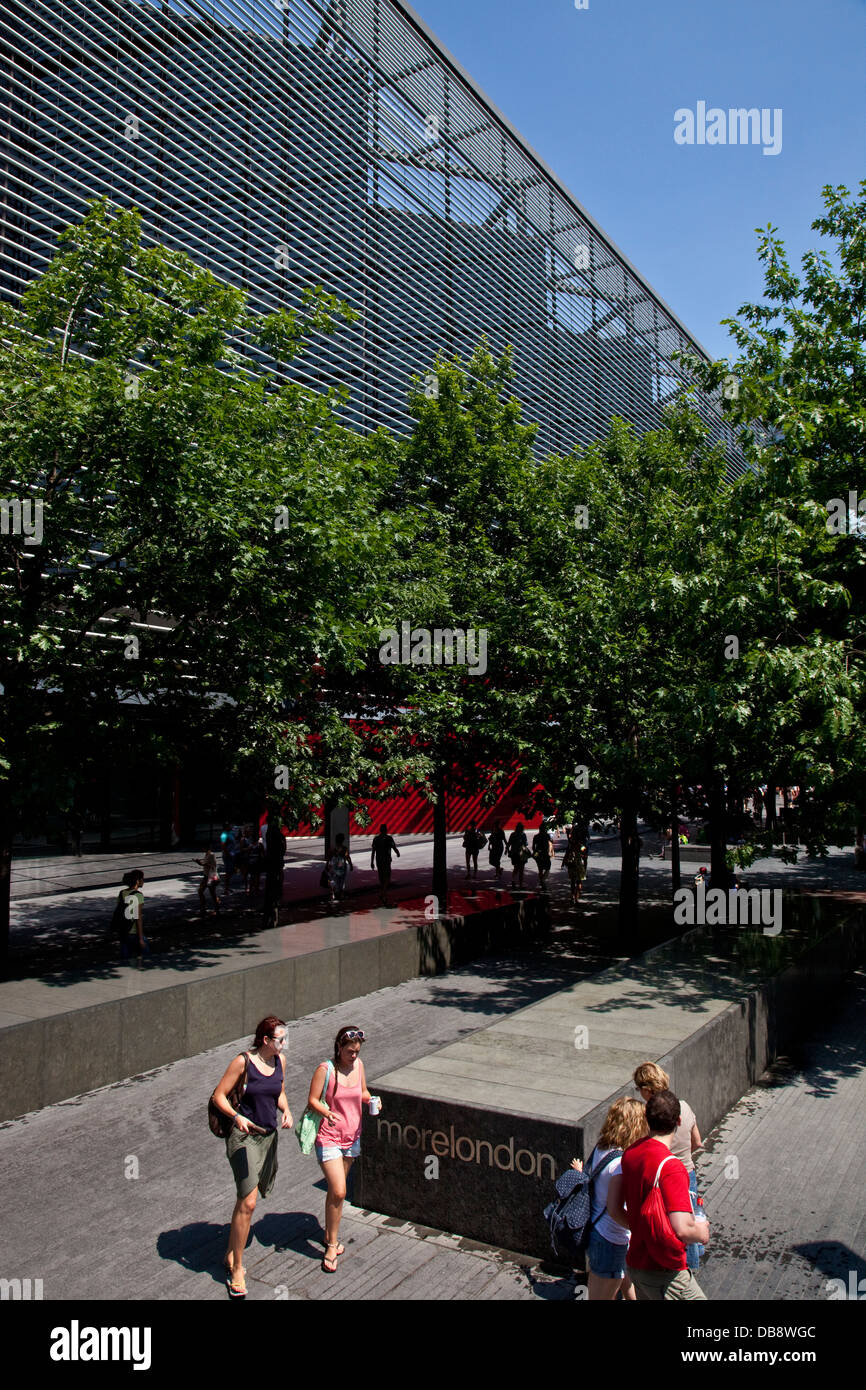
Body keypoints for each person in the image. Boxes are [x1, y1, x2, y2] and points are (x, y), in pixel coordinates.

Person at [211, 1015, 293, 1298]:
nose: (285, 1043)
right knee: (249, 1200)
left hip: (268, 1139)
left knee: (244, 1200)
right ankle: (237, 1271)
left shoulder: (279, 1062)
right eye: (281, 1039)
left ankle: (230, 1254)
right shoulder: (243, 1062)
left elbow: (277, 1091)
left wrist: (287, 1110)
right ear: (266, 1040)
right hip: (244, 1138)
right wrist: (236, 1117)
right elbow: (218, 1096)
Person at [612, 1090, 709, 1300]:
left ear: (647, 1119)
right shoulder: (672, 1167)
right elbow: (683, 1228)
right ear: (679, 1120)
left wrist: (642, 1229)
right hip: (665, 1272)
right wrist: (701, 1233)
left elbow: (614, 1208)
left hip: (636, 1265)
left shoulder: (631, 1153)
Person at [306, 1025, 378, 1273]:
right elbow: (313, 1100)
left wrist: (370, 1100)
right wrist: (327, 1111)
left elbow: (363, 1091)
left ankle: (329, 1233)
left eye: (357, 1051)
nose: (354, 1056)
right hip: (329, 1137)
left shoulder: (358, 1067)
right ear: (339, 1048)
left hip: (352, 1137)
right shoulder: (326, 1070)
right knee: (338, 1189)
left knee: (337, 1193)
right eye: (350, 1051)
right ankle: (332, 1245)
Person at [569, 1097, 649, 1300]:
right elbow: (614, 1209)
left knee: (621, 1279)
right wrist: (640, 1229)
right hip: (612, 1238)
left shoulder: (602, 1148)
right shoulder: (620, 1164)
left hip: (597, 1231)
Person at [633, 1062, 703, 1267]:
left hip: (664, 1176)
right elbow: (697, 1141)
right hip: (688, 1172)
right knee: (689, 1218)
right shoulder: (684, 1106)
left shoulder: (648, 1115)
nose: (639, 1094)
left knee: (670, 1227)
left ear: (647, 1090)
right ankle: (694, 1261)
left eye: (639, 1089)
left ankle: (680, 1270)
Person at [113, 869, 148, 961]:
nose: (143, 881)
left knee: (126, 958)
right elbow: (138, 917)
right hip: (134, 931)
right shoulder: (138, 895)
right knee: (143, 957)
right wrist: (140, 938)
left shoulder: (122, 893)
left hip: (123, 931)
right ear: (137, 881)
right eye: (142, 879)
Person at [370, 824, 400, 905]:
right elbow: (394, 847)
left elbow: (373, 851)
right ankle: (384, 894)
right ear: (386, 830)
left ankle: (382, 893)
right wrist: (397, 853)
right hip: (386, 860)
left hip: (378, 860)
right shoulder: (389, 838)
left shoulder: (376, 839)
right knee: (387, 877)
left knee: (381, 877)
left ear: (380, 830)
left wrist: (372, 862)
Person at [562, 828, 587, 904]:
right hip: (578, 864)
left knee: (573, 881)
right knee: (579, 882)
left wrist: (563, 862)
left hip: (572, 864)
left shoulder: (570, 845)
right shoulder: (580, 845)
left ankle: (572, 896)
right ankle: (576, 897)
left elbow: (566, 854)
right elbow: (585, 853)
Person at [327, 833, 354, 903]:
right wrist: (351, 865)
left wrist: (327, 865)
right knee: (342, 881)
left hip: (333, 865)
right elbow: (348, 857)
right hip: (342, 866)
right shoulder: (344, 849)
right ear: (342, 840)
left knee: (332, 880)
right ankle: (341, 894)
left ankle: (332, 894)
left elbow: (329, 858)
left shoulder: (332, 848)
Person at [196, 844, 221, 915]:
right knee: (201, 891)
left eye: (203, 848)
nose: (202, 849)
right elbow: (205, 864)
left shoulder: (211, 855)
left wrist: (201, 863)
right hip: (206, 876)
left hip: (211, 877)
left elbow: (212, 865)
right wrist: (200, 863)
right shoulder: (207, 854)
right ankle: (203, 908)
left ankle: (216, 908)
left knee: (211, 893)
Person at [506, 822, 529, 888]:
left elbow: (509, 843)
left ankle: (513, 879)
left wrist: (507, 850)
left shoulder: (512, 834)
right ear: (522, 828)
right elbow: (525, 844)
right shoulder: (523, 835)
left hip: (514, 854)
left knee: (516, 868)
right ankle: (520, 885)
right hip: (521, 854)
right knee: (521, 869)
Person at [532, 823, 553, 889]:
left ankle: (542, 881)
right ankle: (542, 881)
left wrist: (535, 854)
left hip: (538, 854)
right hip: (545, 854)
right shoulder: (547, 836)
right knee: (548, 868)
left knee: (540, 869)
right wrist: (550, 852)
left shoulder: (536, 836)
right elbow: (550, 844)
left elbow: (533, 847)